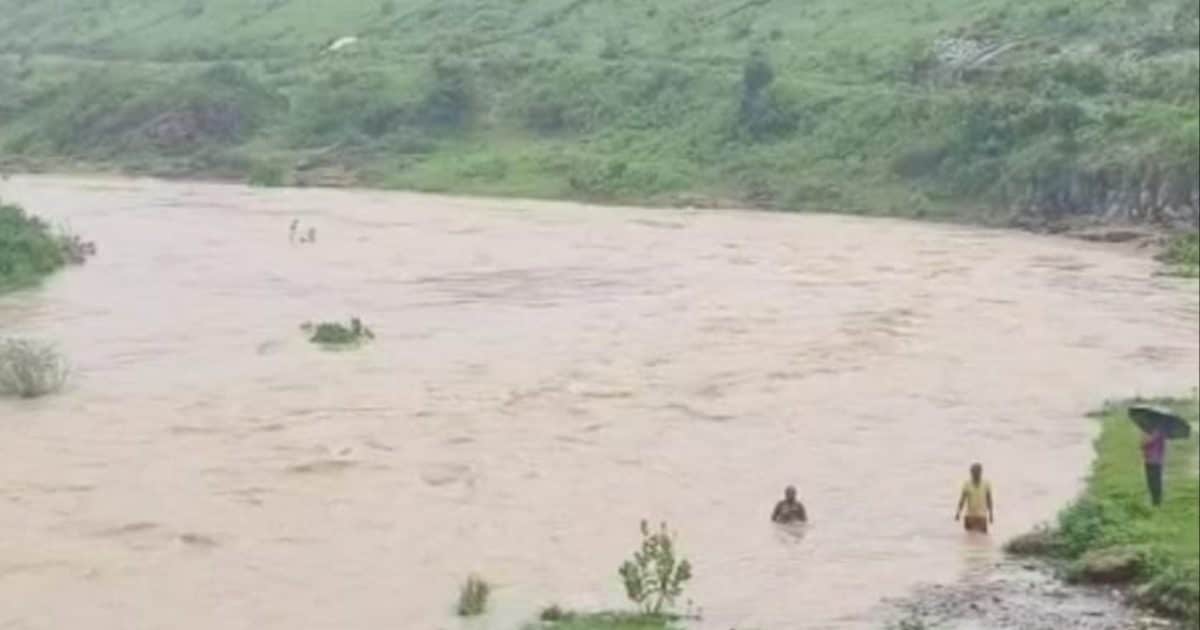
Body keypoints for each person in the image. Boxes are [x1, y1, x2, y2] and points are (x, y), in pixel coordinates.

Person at [955, 463, 993, 534]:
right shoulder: (967, 484)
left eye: (977, 472)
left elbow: (989, 500)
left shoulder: (986, 484)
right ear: (971, 473)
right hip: (969, 516)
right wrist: (958, 513)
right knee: (969, 536)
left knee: (982, 537)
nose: (975, 475)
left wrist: (991, 514)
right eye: (973, 473)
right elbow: (962, 500)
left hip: (982, 516)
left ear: (981, 473)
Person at [1142, 426, 1166, 507]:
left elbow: (1147, 442)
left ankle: (1157, 502)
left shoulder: (1158, 432)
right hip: (1149, 460)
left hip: (1155, 461)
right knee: (1150, 481)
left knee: (1155, 482)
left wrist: (1145, 439)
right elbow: (1143, 445)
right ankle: (1154, 501)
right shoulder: (1149, 431)